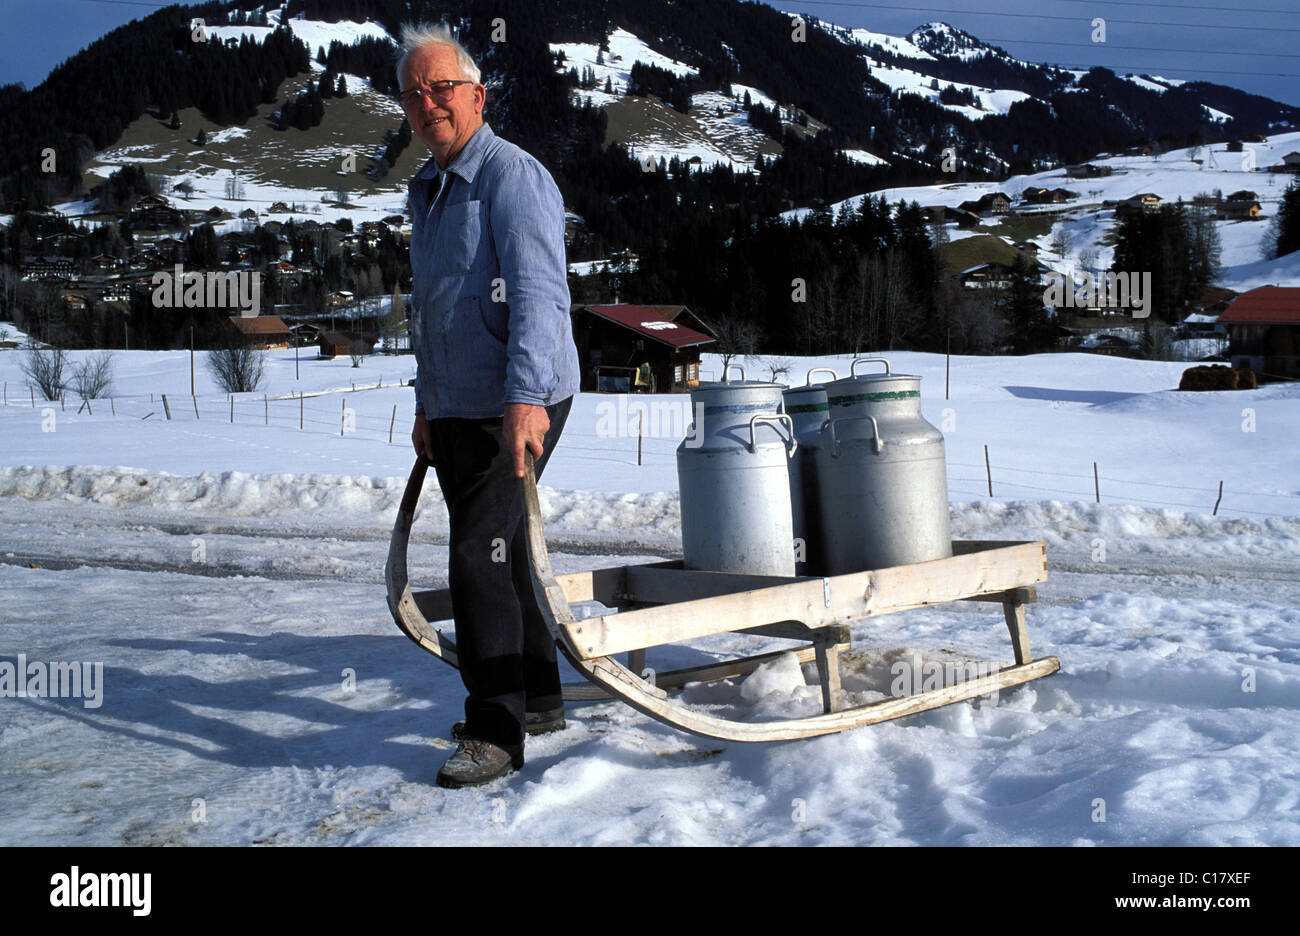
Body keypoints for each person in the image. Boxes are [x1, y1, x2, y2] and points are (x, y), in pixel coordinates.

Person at [397, 23, 581, 788]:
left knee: (478, 556)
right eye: (414, 93)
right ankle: (537, 696)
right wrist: (426, 403)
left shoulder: (512, 177)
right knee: (501, 551)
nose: (428, 103)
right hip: (458, 407)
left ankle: (496, 731)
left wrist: (527, 399)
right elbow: (432, 309)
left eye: (442, 88)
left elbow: (540, 295)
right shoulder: (430, 189)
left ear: (477, 94)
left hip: (518, 400)